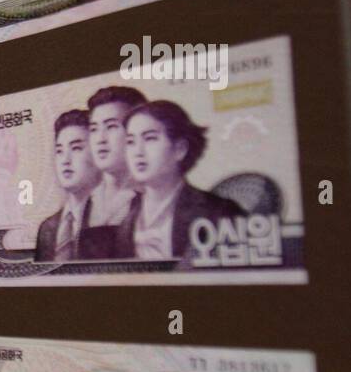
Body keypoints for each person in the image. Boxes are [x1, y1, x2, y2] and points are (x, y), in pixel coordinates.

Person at [113, 99, 244, 262]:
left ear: (180, 149)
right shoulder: (127, 218)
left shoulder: (218, 211)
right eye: (130, 142)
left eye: (150, 138)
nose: (137, 152)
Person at [76, 85, 146, 260]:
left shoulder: (155, 199)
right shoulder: (84, 203)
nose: (100, 139)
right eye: (94, 129)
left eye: (111, 126)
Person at [34, 109, 100, 262]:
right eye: (59, 151)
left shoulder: (111, 217)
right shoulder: (47, 228)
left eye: (76, 148)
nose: (65, 160)